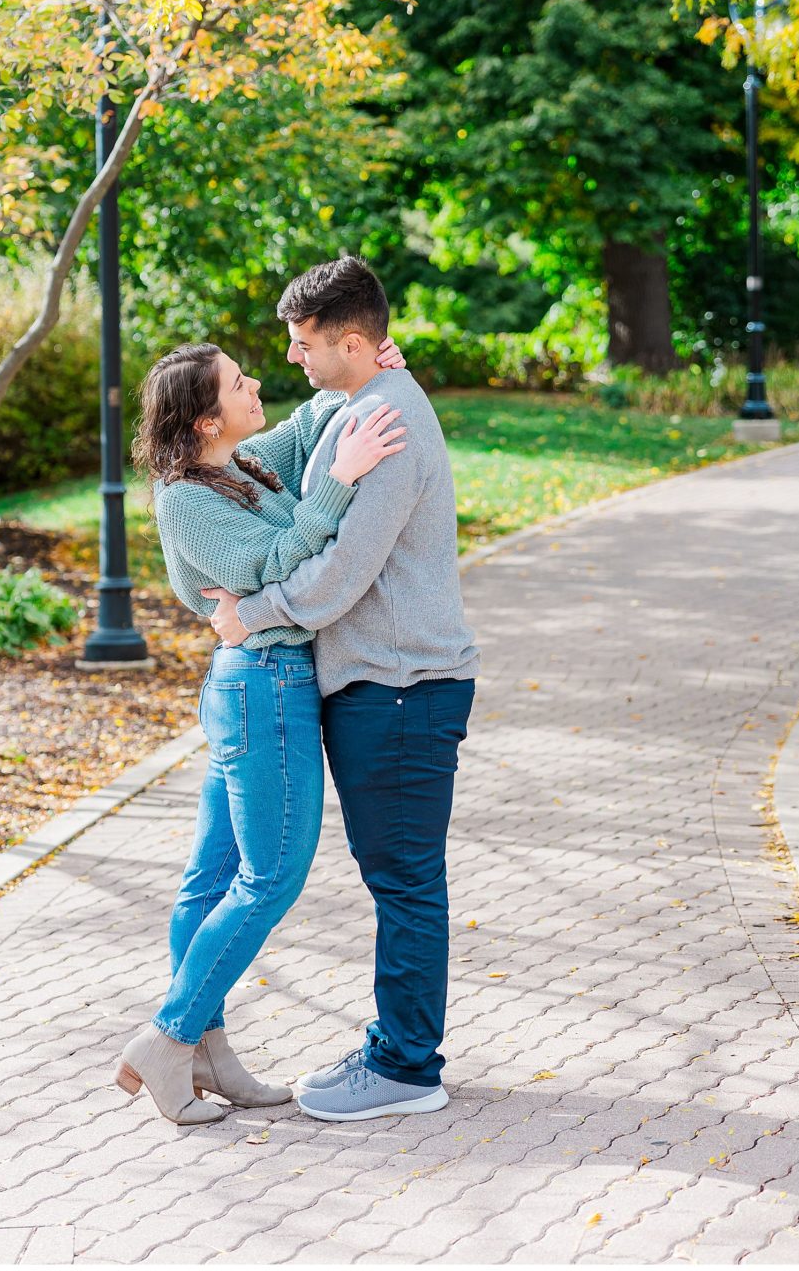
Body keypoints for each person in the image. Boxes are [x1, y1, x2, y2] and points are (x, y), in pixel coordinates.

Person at [203, 256, 481, 1122]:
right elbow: (275, 464)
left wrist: (255, 612)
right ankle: (399, 1047)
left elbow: (346, 570)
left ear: (351, 342)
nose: (291, 358)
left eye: (303, 344)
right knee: (396, 877)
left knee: (402, 881)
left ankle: (404, 1068)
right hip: (386, 684)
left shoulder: (388, 423)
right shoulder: (365, 404)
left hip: (400, 687)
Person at [116, 336, 407, 1125]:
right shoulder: (186, 499)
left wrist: (376, 364)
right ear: (207, 418)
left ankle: (204, 1053)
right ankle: (168, 1036)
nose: (256, 387)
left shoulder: (239, 464)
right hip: (265, 689)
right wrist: (339, 487)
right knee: (269, 877)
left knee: (208, 882)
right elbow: (275, 561)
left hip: (255, 688)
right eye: (239, 384)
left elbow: (315, 420)